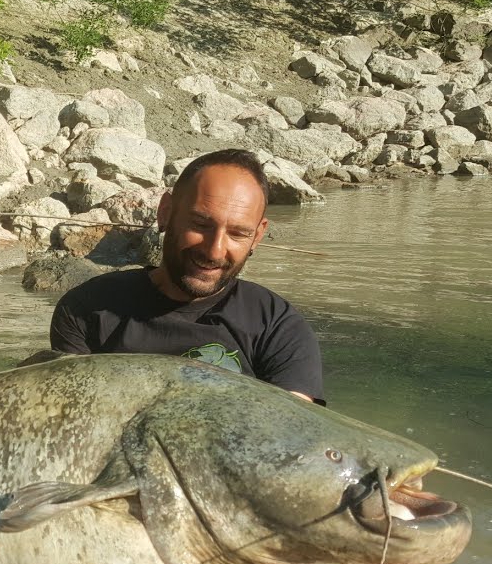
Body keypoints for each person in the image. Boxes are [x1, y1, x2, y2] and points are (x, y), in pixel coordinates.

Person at [47, 148, 325, 404]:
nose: (215, 251)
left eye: (238, 233)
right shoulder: (85, 309)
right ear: (166, 212)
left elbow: (295, 436)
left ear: (258, 236)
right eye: (200, 224)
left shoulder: (278, 326)